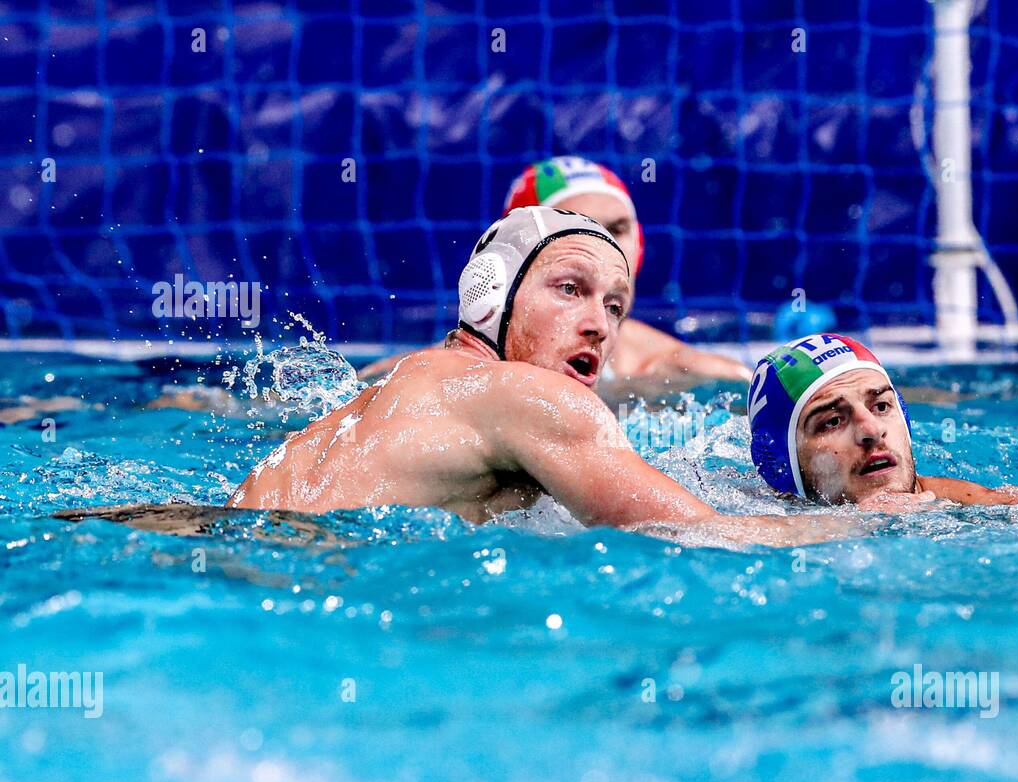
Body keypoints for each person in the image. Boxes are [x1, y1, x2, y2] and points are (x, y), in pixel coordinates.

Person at [228, 207, 876, 547]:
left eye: (615, 305)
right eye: (570, 289)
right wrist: (876, 522)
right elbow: (700, 536)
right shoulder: (525, 396)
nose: (600, 324)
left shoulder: (398, 391)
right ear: (491, 300)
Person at [358, 156, 751, 390]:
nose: (603, 248)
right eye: (583, 229)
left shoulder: (693, 377)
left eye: (616, 229)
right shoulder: (420, 382)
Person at [747, 333, 1018, 512]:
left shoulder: (973, 506)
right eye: (833, 420)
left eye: (882, 406)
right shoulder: (755, 517)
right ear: (779, 466)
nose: (871, 431)